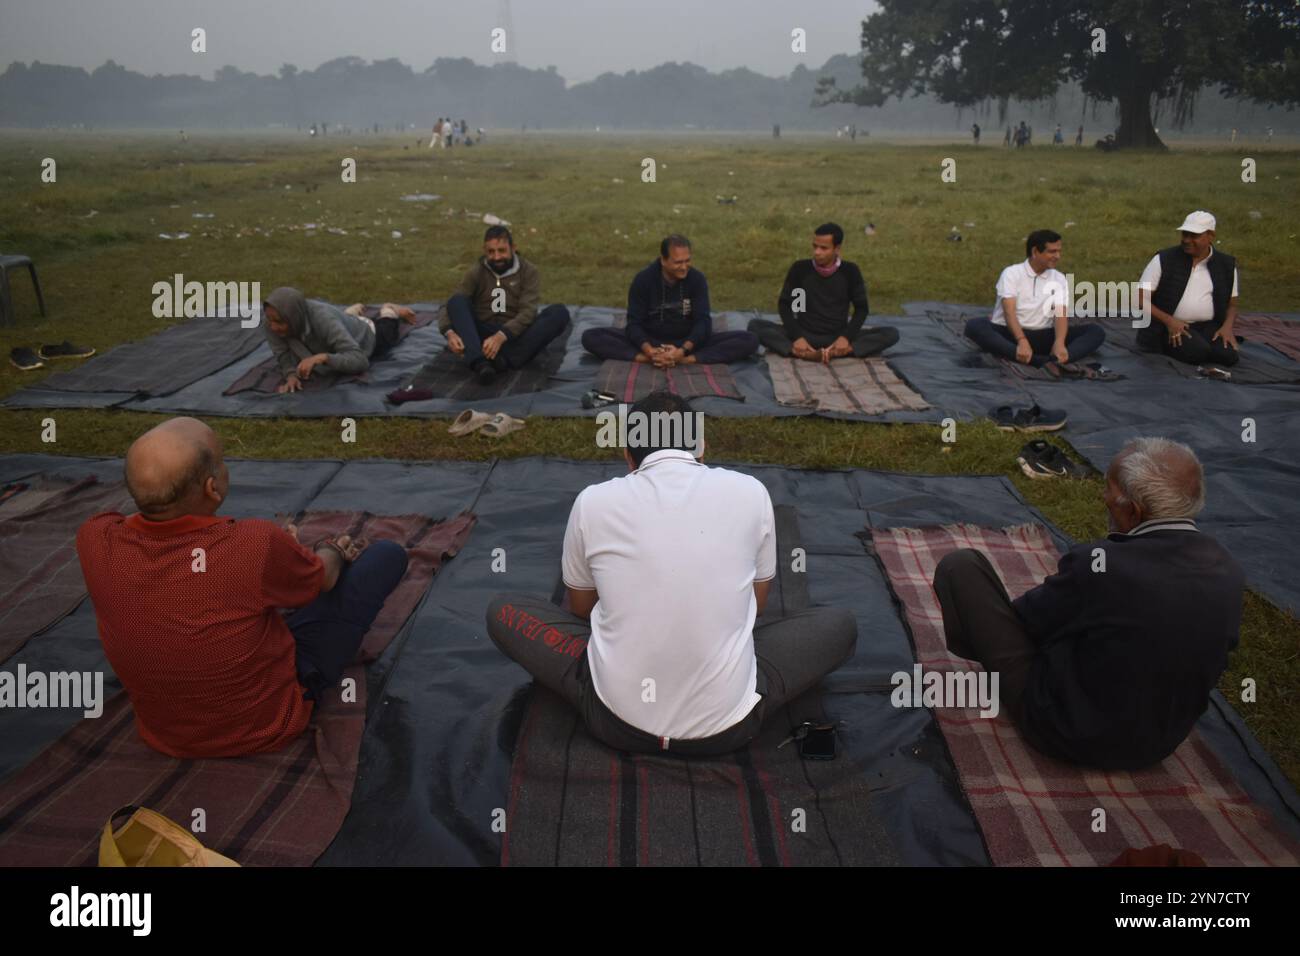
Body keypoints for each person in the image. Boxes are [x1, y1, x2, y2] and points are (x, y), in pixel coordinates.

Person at [486, 391, 858, 755]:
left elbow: (581, 608)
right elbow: (757, 606)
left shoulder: (592, 501)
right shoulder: (751, 492)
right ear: (700, 447)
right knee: (838, 624)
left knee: (503, 611)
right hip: (731, 728)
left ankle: (614, 674)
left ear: (629, 457)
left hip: (613, 721)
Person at [75, 417, 409, 758]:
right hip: (265, 725)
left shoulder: (94, 537)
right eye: (222, 462)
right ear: (211, 488)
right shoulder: (255, 543)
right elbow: (322, 580)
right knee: (386, 557)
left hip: (166, 734)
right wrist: (332, 550)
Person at [932, 438, 1242, 770]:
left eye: (1108, 489)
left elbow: (1024, 625)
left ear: (1133, 509)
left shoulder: (1102, 566)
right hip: (1157, 745)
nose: (1103, 497)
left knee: (960, 566)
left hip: (1065, 733)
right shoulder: (1227, 568)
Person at [581, 235, 758, 366]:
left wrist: (682, 352)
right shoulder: (643, 279)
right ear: (663, 260)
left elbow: (703, 321)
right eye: (678, 262)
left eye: (687, 261)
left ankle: (684, 361)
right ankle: (650, 360)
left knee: (749, 340)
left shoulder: (696, 279)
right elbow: (634, 323)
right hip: (650, 341)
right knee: (591, 337)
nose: (684, 267)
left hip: (686, 341)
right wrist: (649, 352)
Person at [750, 223, 899, 361]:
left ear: (837, 249)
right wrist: (797, 337)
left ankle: (840, 351)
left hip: (836, 336)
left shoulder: (850, 271)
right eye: (815, 246)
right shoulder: (801, 269)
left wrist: (845, 338)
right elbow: (787, 306)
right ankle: (802, 352)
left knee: (891, 333)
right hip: (804, 333)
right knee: (755, 325)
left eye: (823, 248)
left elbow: (861, 309)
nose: (817, 252)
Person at [440, 224, 570, 383]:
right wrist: (450, 332)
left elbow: (528, 312)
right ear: (484, 251)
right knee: (457, 301)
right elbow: (450, 305)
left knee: (559, 312)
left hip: (514, 335)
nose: (496, 257)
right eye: (491, 252)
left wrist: (502, 335)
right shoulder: (476, 272)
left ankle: (503, 361)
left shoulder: (529, 271)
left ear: (513, 248)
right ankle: (480, 362)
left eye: (501, 251)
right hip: (481, 335)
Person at [964, 230, 1104, 368]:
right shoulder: (1012, 273)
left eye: (1059, 251)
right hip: (1010, 335)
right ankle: (1039, 360)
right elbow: (1009, 312)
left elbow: (1060, 314)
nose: (1058, 256)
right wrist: (1021, 340)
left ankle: (1057, 358)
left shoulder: (1059, 278)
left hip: (1042, 336)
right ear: (1035, 252)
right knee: (975, 325)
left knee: (1095, 331)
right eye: (1052, 251)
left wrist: (1059, 343)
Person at [1136, 211, 1241, 367]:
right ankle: (1171, 344)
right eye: (1185, 234)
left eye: (1194, 236)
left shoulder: (1225, 265)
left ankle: (1200, 345)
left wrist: (1227, 327)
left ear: (1211, 236)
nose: (1186, 240)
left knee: (1229, 356)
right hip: (1167, 325)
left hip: (1208, 326)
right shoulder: (1164, 259)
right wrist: (1169, 321)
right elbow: (1139, 299)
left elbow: (1232, 304)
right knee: (1197, 352)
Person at [263, 287, 411, 394]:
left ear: (294, 317)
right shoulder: (272, 321)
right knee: (338, 326)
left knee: (387, 332)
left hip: (367, 335)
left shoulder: (323, 320)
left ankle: (390, 309)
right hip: (337, 328)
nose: (273, 327)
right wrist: (290, 375)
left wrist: (323, 357)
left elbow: (359, 360)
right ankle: (348, 316)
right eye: (270, 320)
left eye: (279, 322)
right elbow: (282, 354)